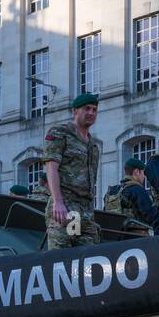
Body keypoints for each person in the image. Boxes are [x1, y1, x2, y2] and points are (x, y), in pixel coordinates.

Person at [42, 93, 103, 249]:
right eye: (86, 109)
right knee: (62, 262)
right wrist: (58, 202)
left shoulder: (93, 145)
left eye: (94, 110)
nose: (91, 113)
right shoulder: (60, 133)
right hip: (66, 207)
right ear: (75, 111)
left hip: (84, 212)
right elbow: (51, 166)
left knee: (86, 260)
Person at [103, 157, 159, 233]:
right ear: (137, 172)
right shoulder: (138, 190)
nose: (144, 177)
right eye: (143, 173)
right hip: (136, 238)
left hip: (115, 237)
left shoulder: (112, 191)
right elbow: (152, 217)